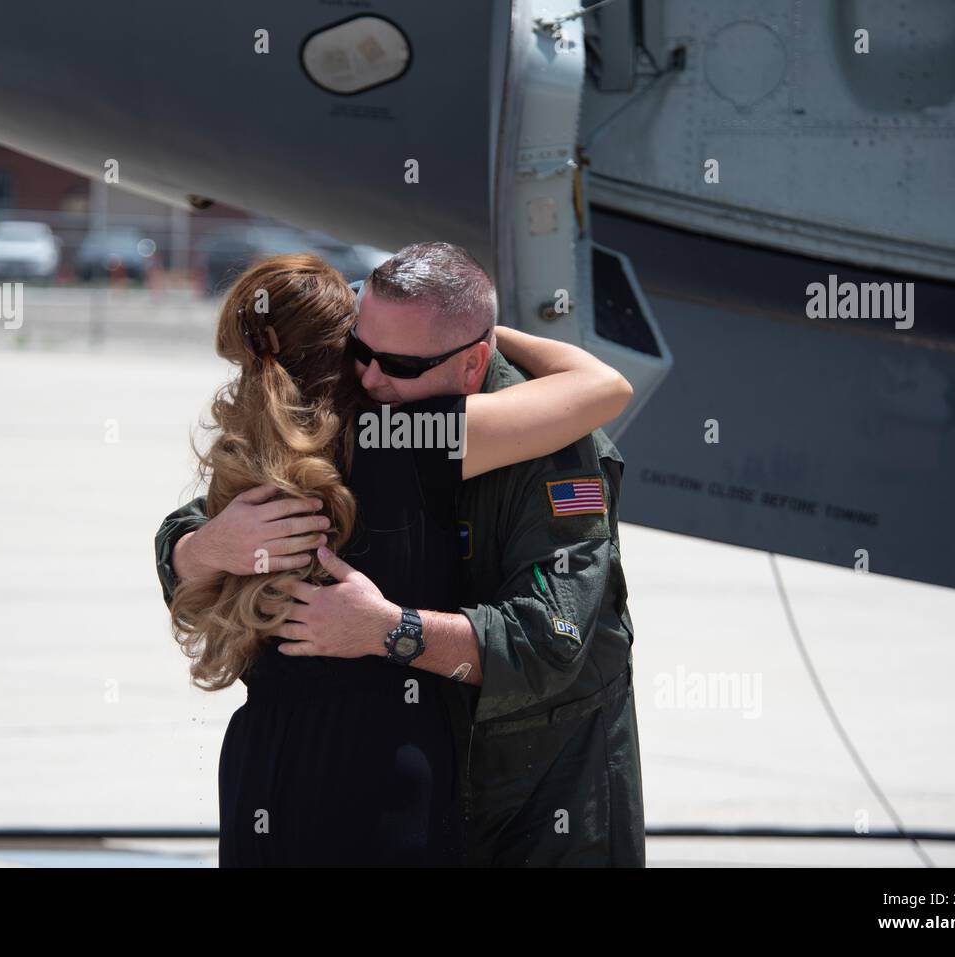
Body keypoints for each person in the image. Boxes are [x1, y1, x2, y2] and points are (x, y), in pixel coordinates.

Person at [165, 251, 634, 866]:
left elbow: (553, 638)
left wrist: (197, 548)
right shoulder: (406, 439)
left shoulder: (256, 453)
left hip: (265, 762)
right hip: (383, 770)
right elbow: (604, 386)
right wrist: (482, 334)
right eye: (364, 353)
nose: (376, 378)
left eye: (400, 362)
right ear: (344, 348)